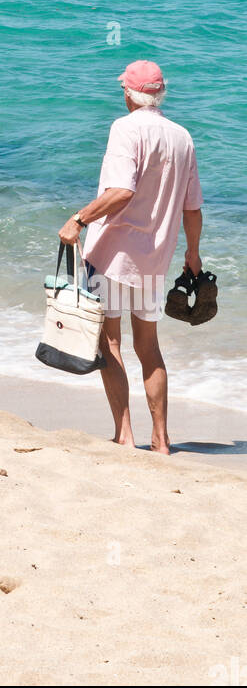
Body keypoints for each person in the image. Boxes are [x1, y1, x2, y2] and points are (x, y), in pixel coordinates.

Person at [58, 60, 203, 455]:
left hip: (112, 255)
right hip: (154, 260)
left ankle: (124, 435)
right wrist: (192, 253)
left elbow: (121, 191)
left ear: (128, 94)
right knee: (149, 347)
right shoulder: (182, 137)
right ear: (160, 94)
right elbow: (192, 209)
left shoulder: (125, 128)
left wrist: (78, 219)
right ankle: (161, 439)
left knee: (110, 343)